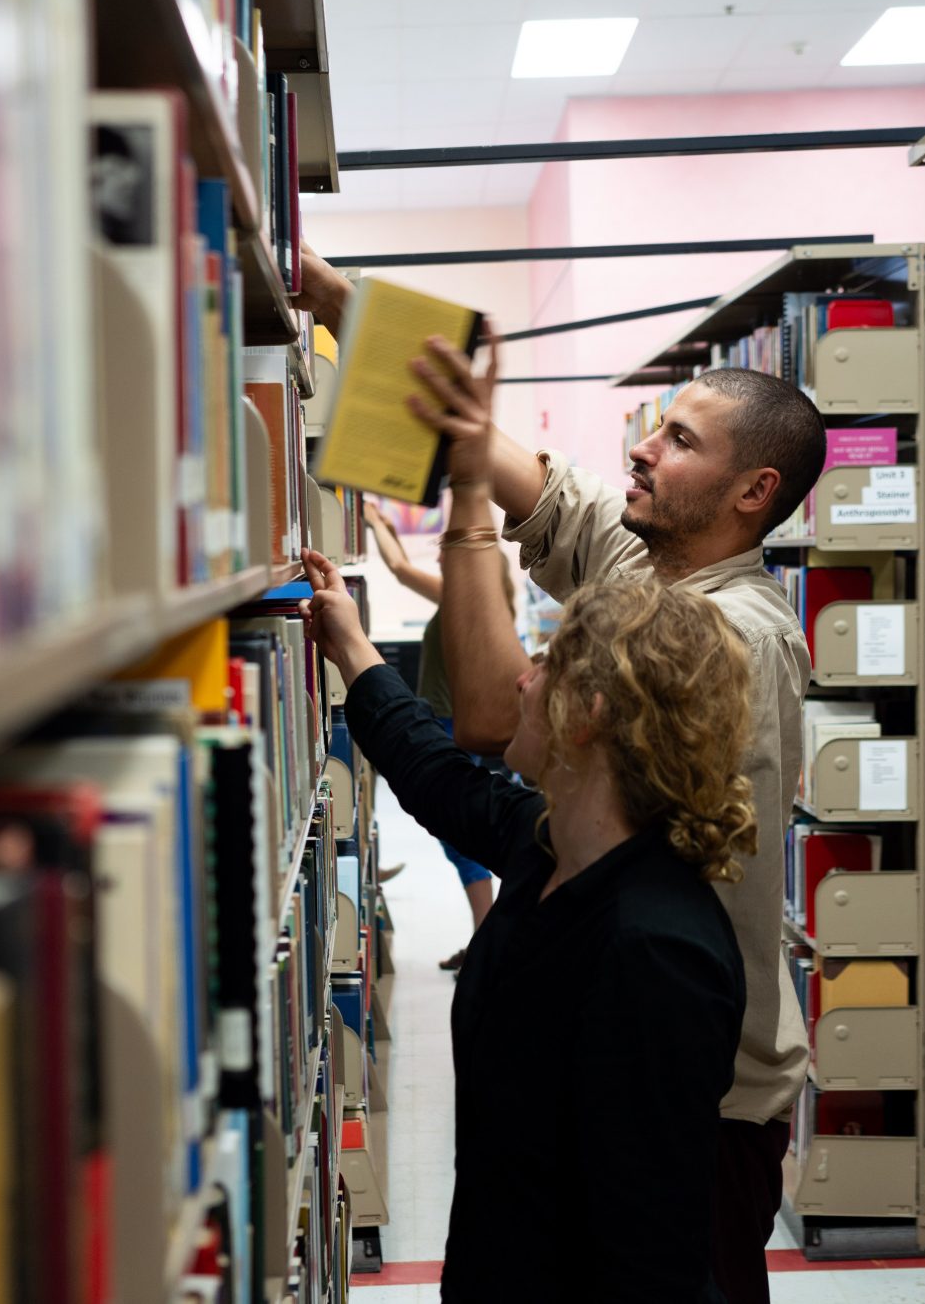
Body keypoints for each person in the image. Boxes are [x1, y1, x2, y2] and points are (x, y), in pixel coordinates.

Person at [296, 241, 824, 1304]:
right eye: (653, 424)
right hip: (601, 1032)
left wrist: (460, 506)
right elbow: (488, 447)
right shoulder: (648, 555)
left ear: (750, 491)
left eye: (678, 440)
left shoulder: (726, 636)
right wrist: (321, 295)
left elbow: (489, 718)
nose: (641, 448)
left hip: (695, 1086)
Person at [301, 548, 753, 1304]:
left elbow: (649, 1257)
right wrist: (351, 646)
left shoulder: (658, 952)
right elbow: (435, 775)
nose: (521, 678)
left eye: (545, 665)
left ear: (593, 712)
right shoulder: (548, 844)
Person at [361, 499, 517, 968]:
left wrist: (373, 522)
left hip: (451, 724)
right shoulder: (486, 597)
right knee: (463, 831)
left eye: (446, 552)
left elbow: (400, 568)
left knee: (460, 834)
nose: (440, 559)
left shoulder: (463, 596)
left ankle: (488, 939)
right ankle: (488, 936)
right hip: (454, 721)